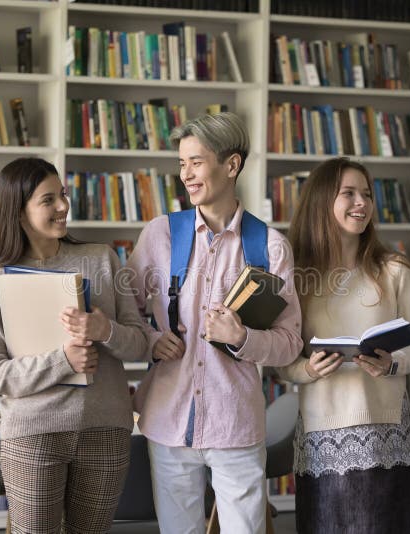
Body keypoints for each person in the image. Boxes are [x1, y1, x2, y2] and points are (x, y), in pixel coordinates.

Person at [126, 112, 303, 534]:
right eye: (182, 163)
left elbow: (290, 342)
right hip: (168, 420)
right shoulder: (160, 235)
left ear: (232, 164)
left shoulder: (271, 246)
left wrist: (243, 338)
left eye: (197, 162)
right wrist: (152, 338)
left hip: (235, 424)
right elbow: (124, 310)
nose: (186, 174)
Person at [0, 157, 148, 533]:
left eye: (63, 195)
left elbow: (140, 344)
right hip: (33, 435)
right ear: (18, 212)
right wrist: (64, 360)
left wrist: (105, 330)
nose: (64, 206)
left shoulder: (102, 260)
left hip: (106, 431)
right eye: (48, 199)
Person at [276, 157, 410, 534]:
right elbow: (282, 359)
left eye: (366, 194)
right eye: (349, 194)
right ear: (323, 201)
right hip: (322, 438)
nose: (361, 203)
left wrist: (390, 363)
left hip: (386, 436)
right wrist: (307, 369)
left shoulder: (395, 270)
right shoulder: (297, 278)